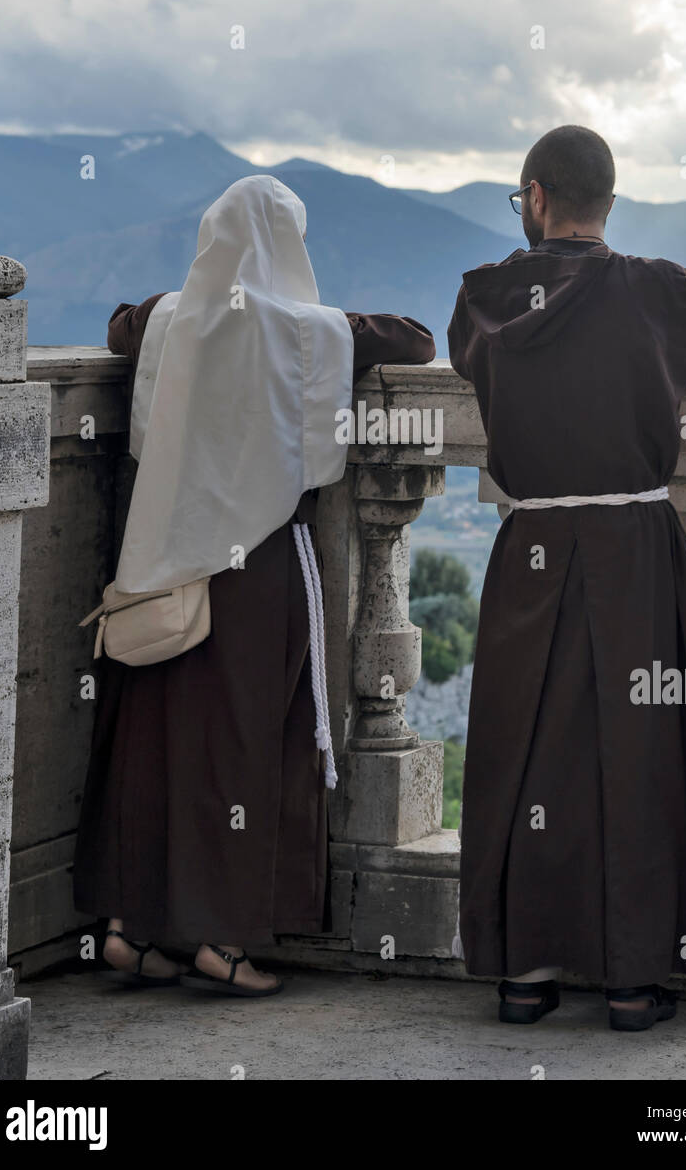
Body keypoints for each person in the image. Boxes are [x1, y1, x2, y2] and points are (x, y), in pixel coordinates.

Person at [74, 174, 435, 996]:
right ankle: (223, 942)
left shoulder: (167, 319)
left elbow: (119, 322)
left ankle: (129, 929)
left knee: (153, 743)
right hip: (257, 572)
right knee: (244, 750)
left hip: (164, 565)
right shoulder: (312, 331)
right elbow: (413, 340)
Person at [448, 125, 686, 1032]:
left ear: (537, 198)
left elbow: (477, 355)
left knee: (524, 755)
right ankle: (633, 979)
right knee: (638, 762)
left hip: (533, 551)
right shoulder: (658, 289)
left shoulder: (480, 299)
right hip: (635, 547)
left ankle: (522, 972)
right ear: (608, 205)